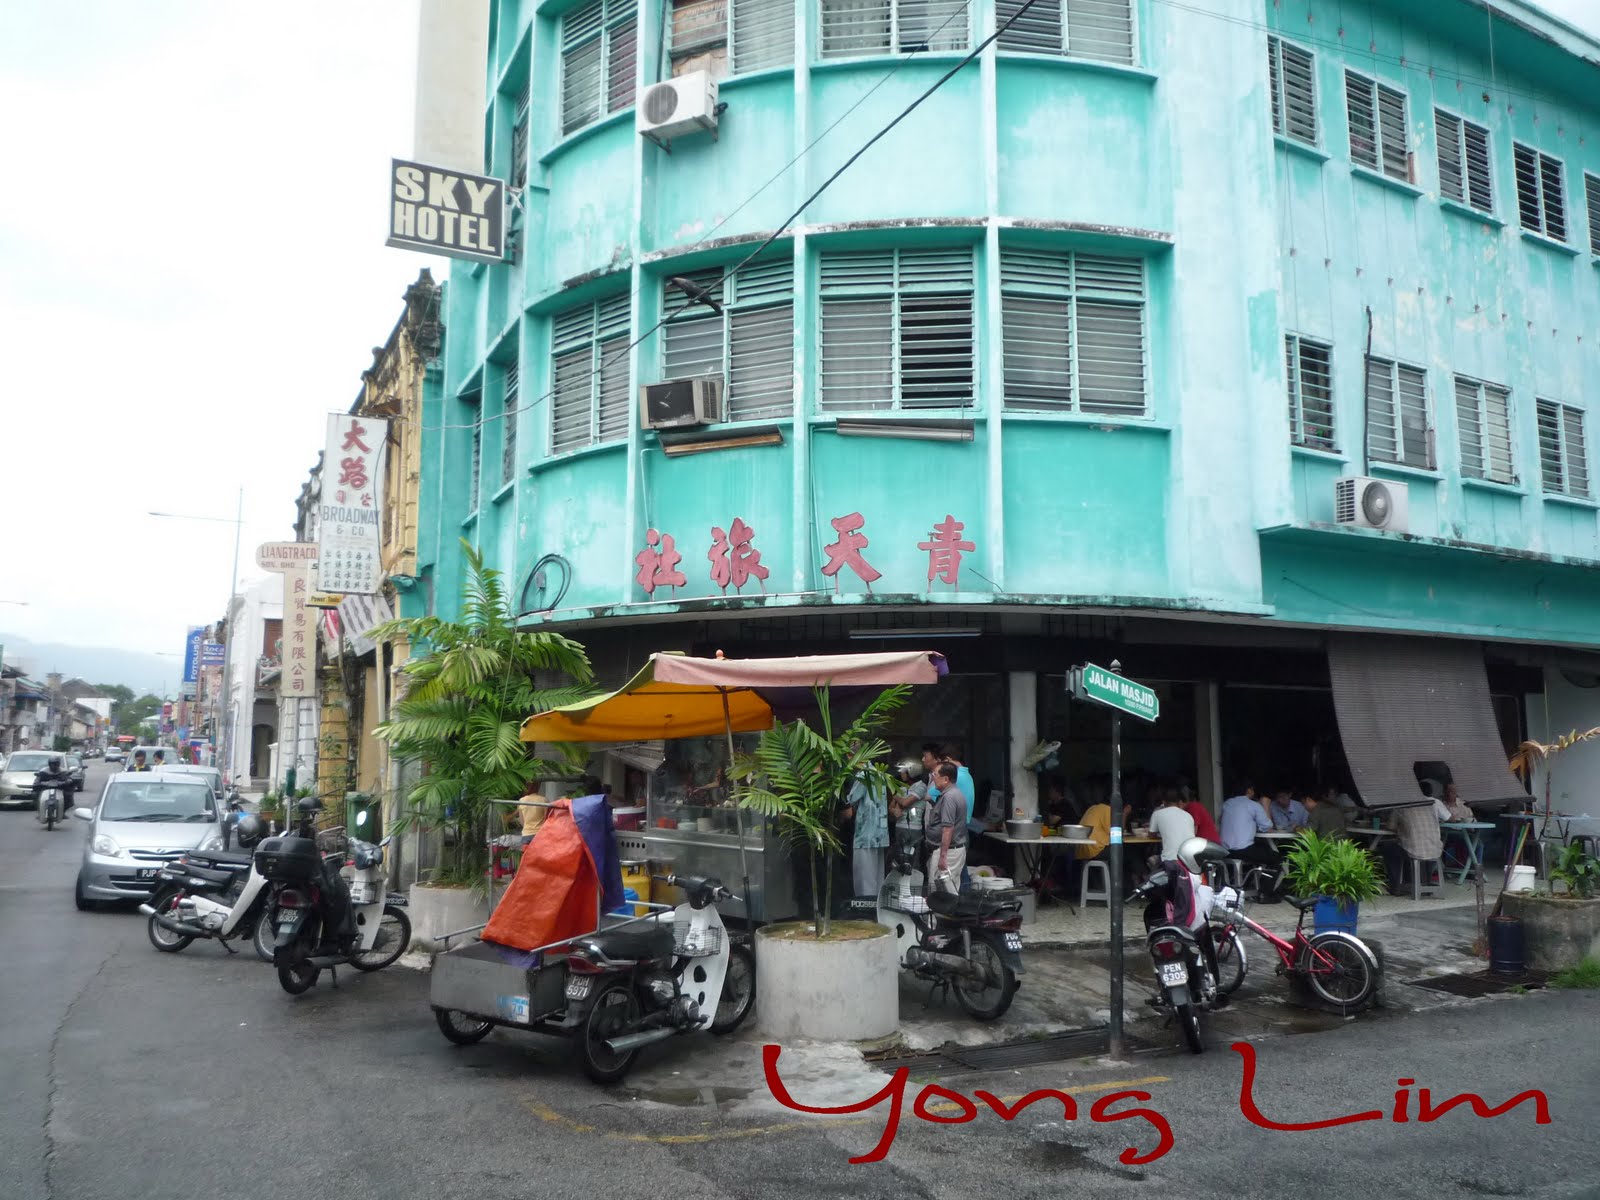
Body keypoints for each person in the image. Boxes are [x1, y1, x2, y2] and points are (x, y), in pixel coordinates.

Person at [1220, 784, 1282, 894]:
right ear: (1249, 790)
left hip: (1225, 851)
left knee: (1261, 850)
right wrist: (1266, 805)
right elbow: (1267, 826)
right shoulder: (1253, 805)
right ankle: (1265, 894)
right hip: (1243, 850)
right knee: (1276, 857)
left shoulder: (1227, 804)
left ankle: (1248, 884)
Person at [1379, 798, 1446, 894]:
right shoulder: (1429, 806)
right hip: (1435, 850)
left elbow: (1391, 827)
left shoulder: (1400, 807)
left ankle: (1395, 887)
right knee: (1410, 846)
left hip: (1415, 851)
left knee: (1388, 848)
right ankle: (1425, 882)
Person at [923, 762, 968, 895]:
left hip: (949, 851)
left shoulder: (949, 797)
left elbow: (948, 828)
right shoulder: (953, 794)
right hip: (951, 850)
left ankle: (940, 915)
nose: (933, 777)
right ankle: (943, 914)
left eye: (935, 774)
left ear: (946, 779)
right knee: (948, 890)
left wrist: (943, 856)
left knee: (940, 892)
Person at [844, 771, 890, 898]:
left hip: (865, 832)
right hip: (880, 833)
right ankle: (876, 909)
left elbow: (852, 798)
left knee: (864, 878)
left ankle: (865, 909)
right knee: (878, 876)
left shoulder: (863, 776)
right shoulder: (880, 774)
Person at [1149, 789, 1197, 864]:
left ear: (1163, 802)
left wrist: (1163, 834)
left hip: (1170, 859)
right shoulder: (1188, 816)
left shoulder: (1157, 813)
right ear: (1179, 802)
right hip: (1190, 859)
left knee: (1152, 860)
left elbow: (1151, 835)